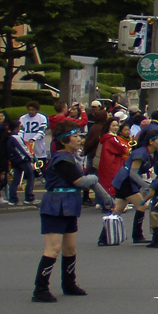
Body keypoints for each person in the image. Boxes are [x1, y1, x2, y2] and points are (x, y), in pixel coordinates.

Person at [31, 122, 114, 302]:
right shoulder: (62, 159)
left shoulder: (71, 157)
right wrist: (94, 177)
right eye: (75, 136)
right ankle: (40, 289)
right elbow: (80, 182)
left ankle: (69, 283)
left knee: (70, 248)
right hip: (55, 206)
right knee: (53, 249)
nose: (79, 139)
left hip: (69, 205)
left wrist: (106, 197)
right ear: (64, 140)